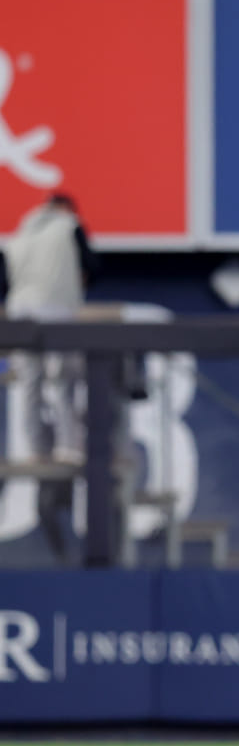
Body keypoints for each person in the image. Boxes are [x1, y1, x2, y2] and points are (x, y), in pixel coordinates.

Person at [1, 193, 99, 559]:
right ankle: (67, 445)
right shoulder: (68, 225)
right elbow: (93, 265)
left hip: (19, 310)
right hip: (55, 308)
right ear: (67, 209)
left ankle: (37, 448)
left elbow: (3, 279)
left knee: (28, 384)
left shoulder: (19, 235)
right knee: (62, 378)